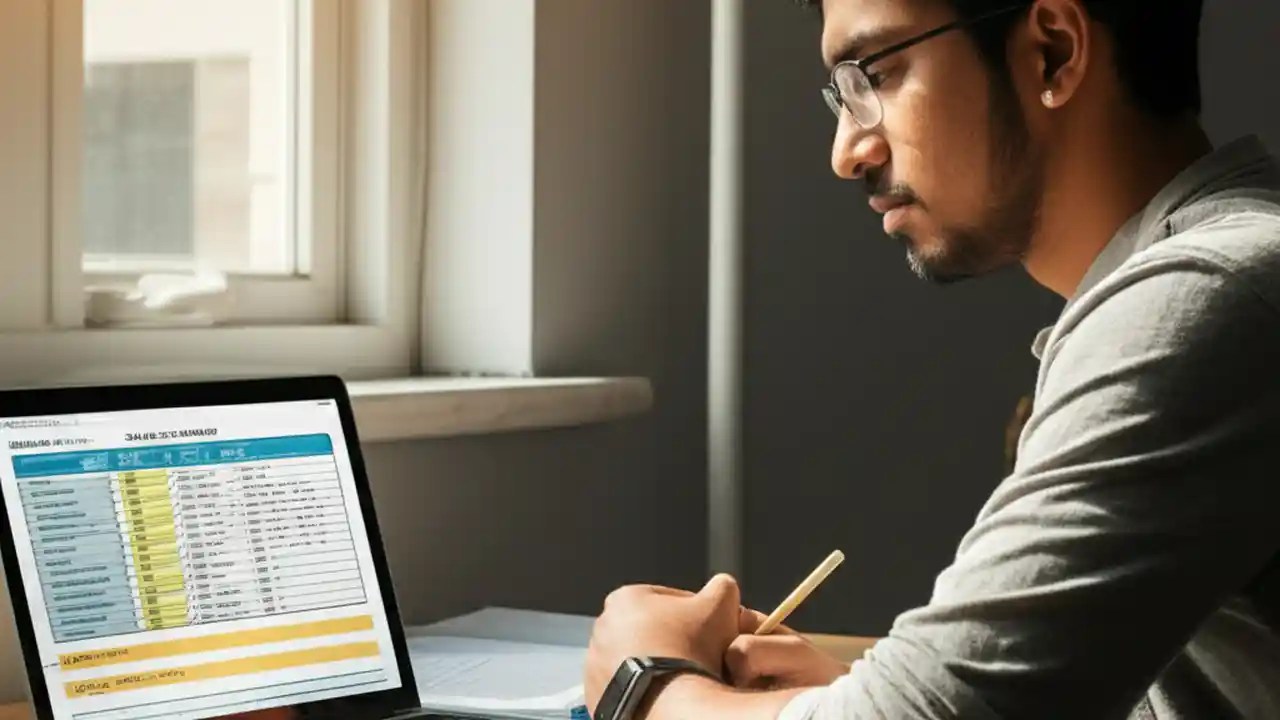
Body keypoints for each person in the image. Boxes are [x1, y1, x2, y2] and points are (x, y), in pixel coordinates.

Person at [583, 0, 1280, 718]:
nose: (847, 149)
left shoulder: (1210, 292)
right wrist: (859, 695)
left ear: (1053, 53)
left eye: (876, 74)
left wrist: (650, 684)